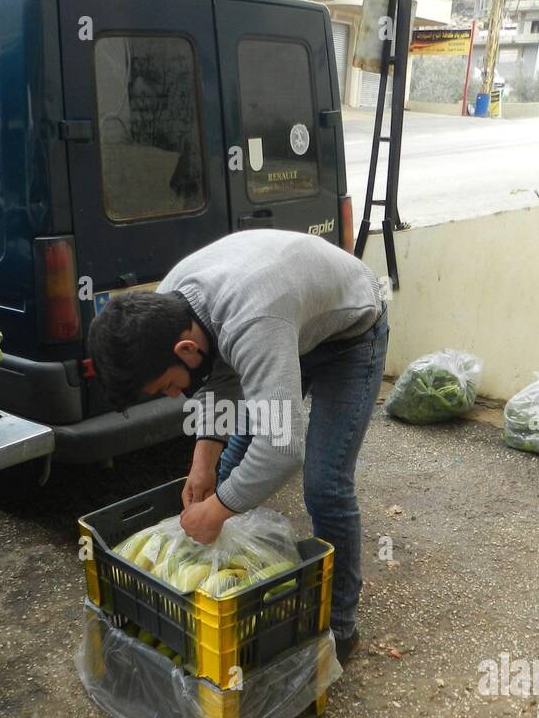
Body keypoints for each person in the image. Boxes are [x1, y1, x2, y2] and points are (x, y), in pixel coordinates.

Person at [87, 229, 388, 663]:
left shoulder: (253, 324)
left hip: (350, 333)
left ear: (185, 347)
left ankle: (340, 628)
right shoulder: (170, 301)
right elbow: (216, 374)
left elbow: (283, 450)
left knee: (325, 482)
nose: (174, 396)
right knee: (228, 469)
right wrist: (202, 463)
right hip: (283, 321)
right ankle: (230, 601)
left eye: (169, 386)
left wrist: (217, 510)